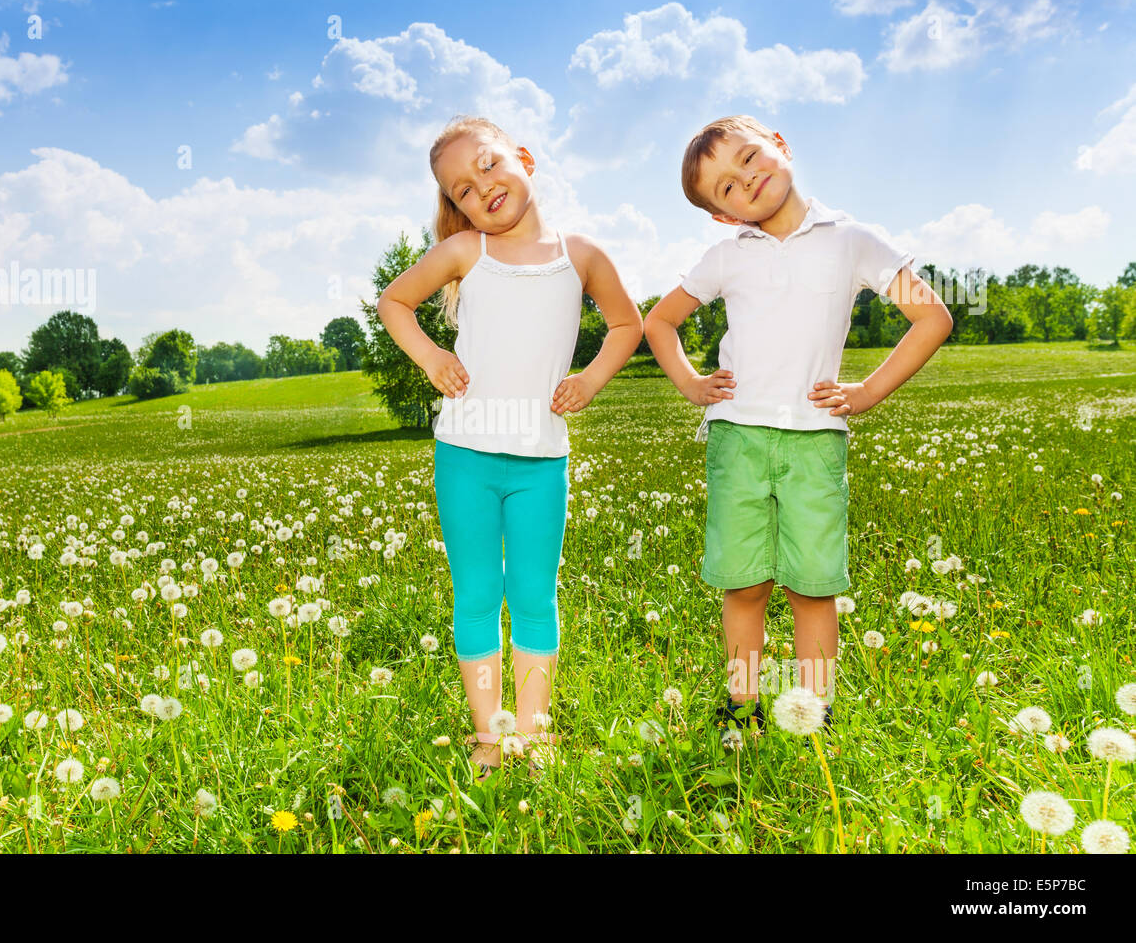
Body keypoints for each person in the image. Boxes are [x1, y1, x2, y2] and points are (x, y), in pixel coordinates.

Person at [644, 115, 953, 736]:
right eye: (726, 188)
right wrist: (692, 384)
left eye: (751, 158)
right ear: (722, 216)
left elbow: (933, 319)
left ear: (779, 146)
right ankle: (741, 705)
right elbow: (658, 323)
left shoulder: (851, 238)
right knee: (744, 584)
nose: (747, 180)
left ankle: (814, 714)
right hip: (737, 437)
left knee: (812, 587)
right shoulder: (726, 256)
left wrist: (866, 392)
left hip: (816, 439)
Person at [376, 115, 642, 777]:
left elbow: (625, 323)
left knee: (532, 592)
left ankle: (535, 734)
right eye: (463, 190)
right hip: (465, 456)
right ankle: (490, 736)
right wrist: (432, 356)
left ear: (522, 157)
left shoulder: (579, 255)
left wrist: (590, 379)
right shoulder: (467, 253)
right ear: (456, 208)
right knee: (475, 592)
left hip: (542, 461)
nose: (482, 188)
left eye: (490, 165)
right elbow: (394, 303)